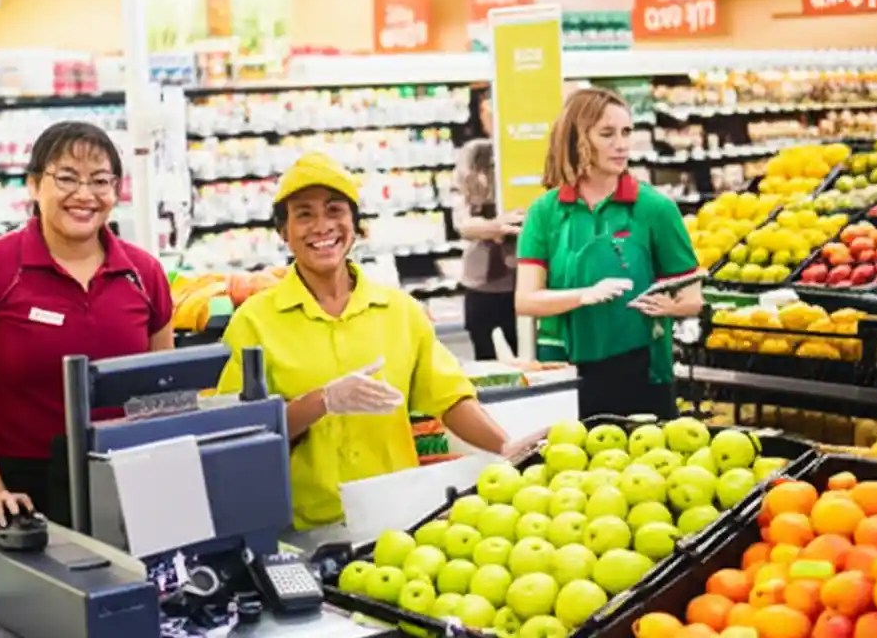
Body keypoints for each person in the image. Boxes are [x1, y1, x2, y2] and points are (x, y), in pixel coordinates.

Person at [215, 152, 520, 531]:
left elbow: (451, 398)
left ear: (355, 225)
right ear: (283, 231)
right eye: (304, 214)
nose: (322, 226)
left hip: (399, 515)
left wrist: (507, 447)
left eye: (335, 210)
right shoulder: (254, 322)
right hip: (303, 525)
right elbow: (237, 434)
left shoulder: (399, 311)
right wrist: (322, 402)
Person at [0, 121, 174, 550]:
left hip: (120, 479)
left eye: (100, 181)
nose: (84, 194)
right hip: (18, 491)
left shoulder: (144, 273)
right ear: (33, 185)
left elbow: (164, 392)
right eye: (66, 178)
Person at [514, 87, 702, 420]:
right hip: (561, 369)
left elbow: (693, 298)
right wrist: (583, 295)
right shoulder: (544, 212)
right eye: (607, 134)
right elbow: (526, 300)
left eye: (627, 132)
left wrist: (670, 306)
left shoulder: (655, 208)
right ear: (577, 139)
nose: (622, 144)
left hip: (640, 368)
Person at [453, 90, 524, 360]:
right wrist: (496, 226)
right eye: (485, 111)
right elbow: (462, 222)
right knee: (483, 358)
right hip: (480, 281)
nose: (489, 118)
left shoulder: (528, 155)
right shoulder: (475, 154)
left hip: (521, 283)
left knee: (529, 357)